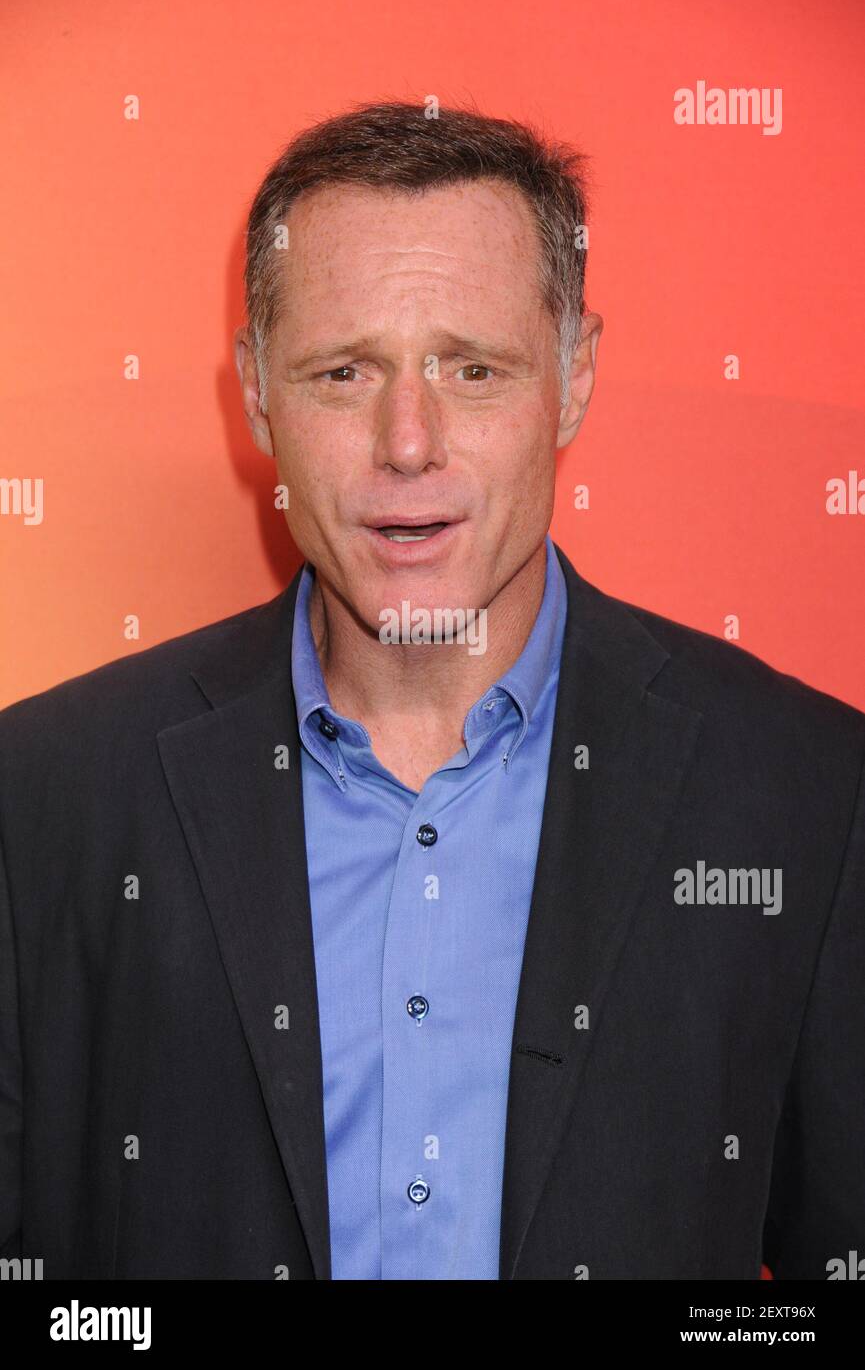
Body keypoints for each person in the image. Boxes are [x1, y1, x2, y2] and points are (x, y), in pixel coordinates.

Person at [0, 101, 862, 1280]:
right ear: (257, 393)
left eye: (473, 366)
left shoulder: (804, 791)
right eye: (345, 370)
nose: (410, 441)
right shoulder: (44, 795)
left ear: (574, 376)